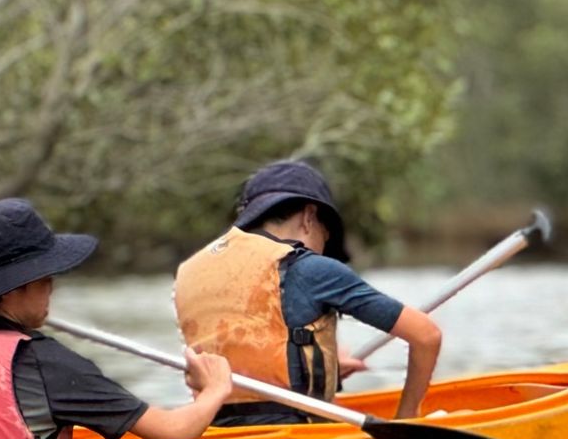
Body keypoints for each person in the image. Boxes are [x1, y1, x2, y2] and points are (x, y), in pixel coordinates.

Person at [0, 198, 232, 439]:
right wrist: (214, 390)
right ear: (10, 289)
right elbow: (175, 432)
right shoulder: (46, 363)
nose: (52, 287)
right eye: (45, 277)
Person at [172, 159, 442, 425]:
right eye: (326, 236)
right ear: (309, 217)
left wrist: (326, 367)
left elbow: (252, 343)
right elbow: (426, 336)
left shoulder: (191, 271)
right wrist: (407, 418)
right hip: (291, 434)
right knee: (447, 417)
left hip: (212, 430)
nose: (323, 249)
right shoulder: (309, 268)